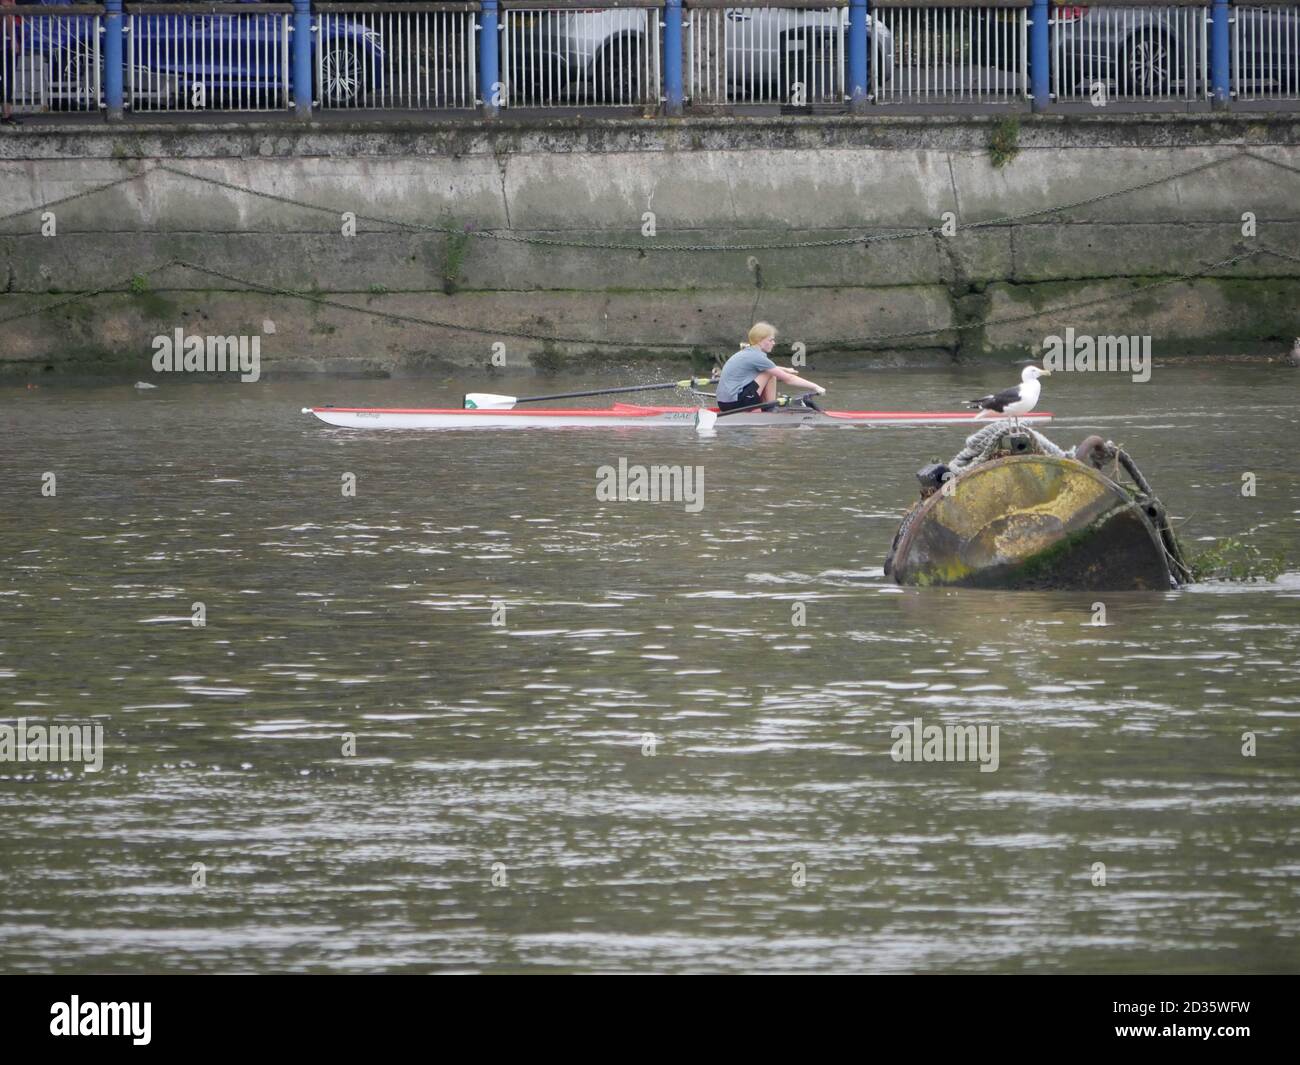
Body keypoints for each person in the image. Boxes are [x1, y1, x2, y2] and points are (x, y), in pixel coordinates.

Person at [715, 322, 824, 412]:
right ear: (760, 341)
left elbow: (766, 367)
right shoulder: (757, 357)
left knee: (770, 371)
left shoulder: (747, 353)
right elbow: (789, 379)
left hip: (723, 404)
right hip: (736, 404)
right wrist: (816, 387)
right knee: (770, 373)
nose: (774, 343)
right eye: (770, 340)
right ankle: (771, 408)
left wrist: (786, 369)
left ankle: (766, 406)